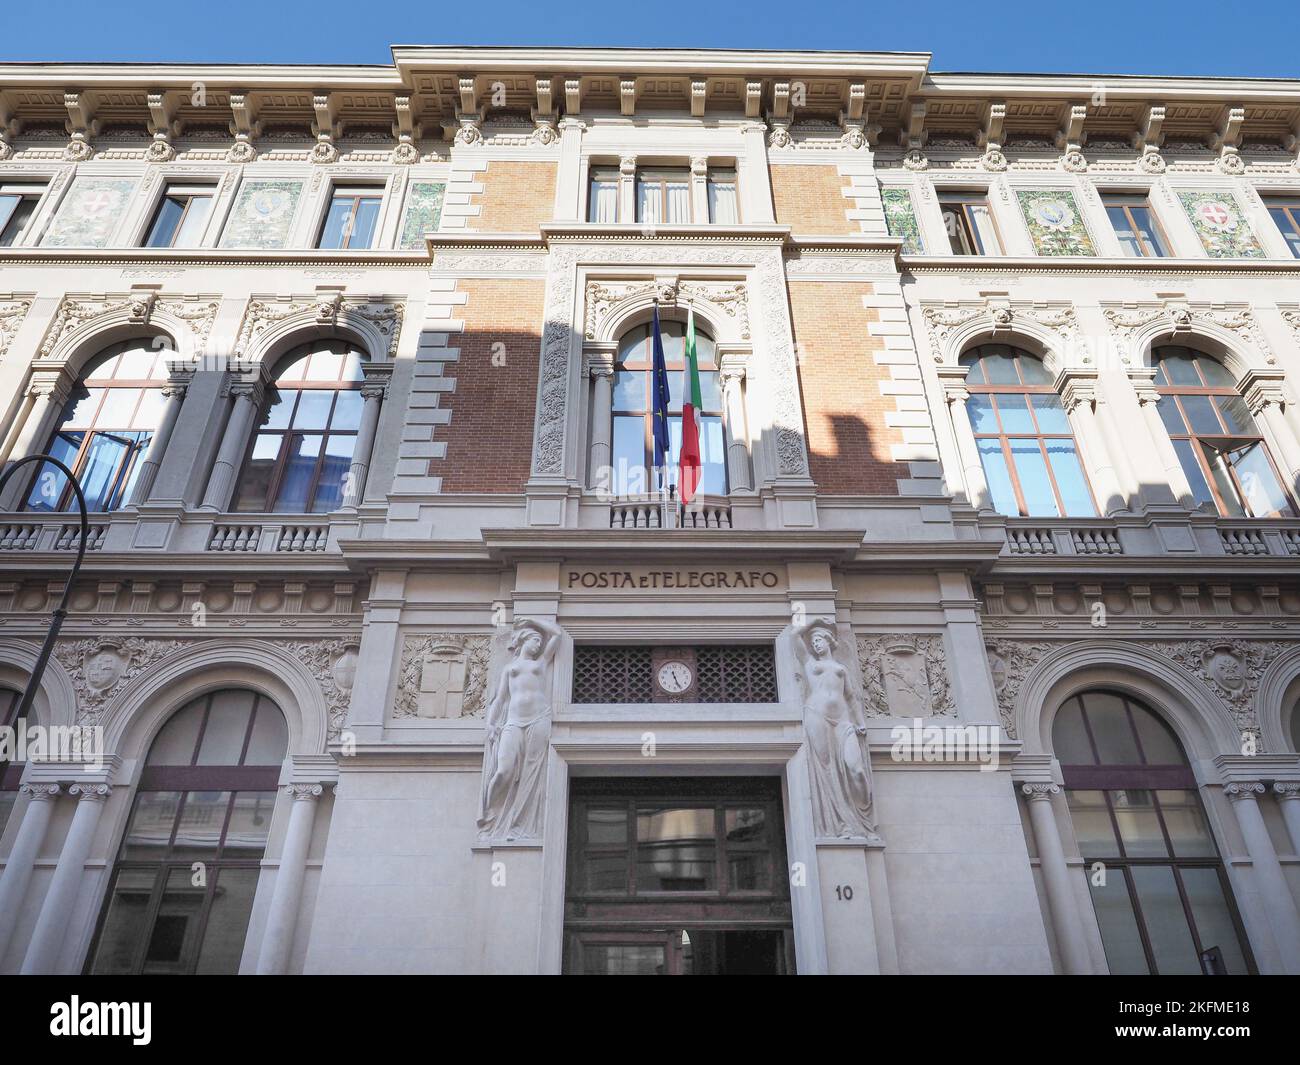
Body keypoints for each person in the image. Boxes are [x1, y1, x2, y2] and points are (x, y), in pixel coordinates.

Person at [477, 617, 562, 841]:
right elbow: (499, 699)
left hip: (539, 719)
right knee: (503, 770)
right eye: (534, 640)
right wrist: (491, 723)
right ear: (523, 641)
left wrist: (534, 621)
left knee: (531, 773)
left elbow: (557, 635)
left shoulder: (541, 663)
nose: (537, 645)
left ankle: (518, 825)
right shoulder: (509, 668)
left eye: (538, 642)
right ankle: (491, 816)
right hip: (513, 722)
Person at [795, 621, 874, 838]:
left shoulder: (842, 669)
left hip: (843, 721)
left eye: (819, 640)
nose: (816, 645)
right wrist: (812, 622)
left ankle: (862, 818)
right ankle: (841, 824)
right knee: (827, 769)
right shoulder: (810, 663)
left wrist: (860, 722)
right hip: (816, 714)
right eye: (813, 642)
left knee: (854, 768)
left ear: (829, 641)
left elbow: (852, 697)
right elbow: (794, 635)